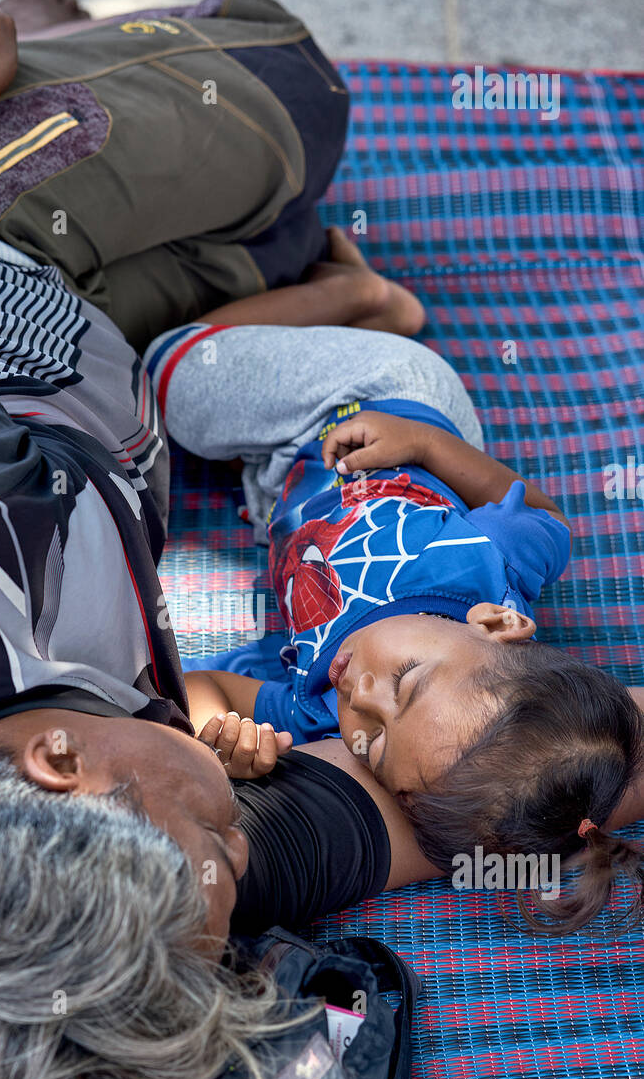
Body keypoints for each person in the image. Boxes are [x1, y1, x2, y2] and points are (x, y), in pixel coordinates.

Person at [0, 0, 435, 1079]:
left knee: (296, 92)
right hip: (60, 364)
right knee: (280, 231)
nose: (248, 822)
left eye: (226, 852)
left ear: (60, 763)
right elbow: (454, 785)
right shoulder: (71, 881)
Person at [148, 305, 644, 934]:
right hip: (378, 403)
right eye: (406, 680)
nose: (359, 693)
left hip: (284, 481)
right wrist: (429, 445)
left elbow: (204, 685)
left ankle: (347, 301)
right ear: (497, 625)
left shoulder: (313, 712)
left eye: (373, 741)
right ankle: (360, 297)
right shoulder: (486, 566)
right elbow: (544, 516)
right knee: (171, 366)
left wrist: (219, 735)